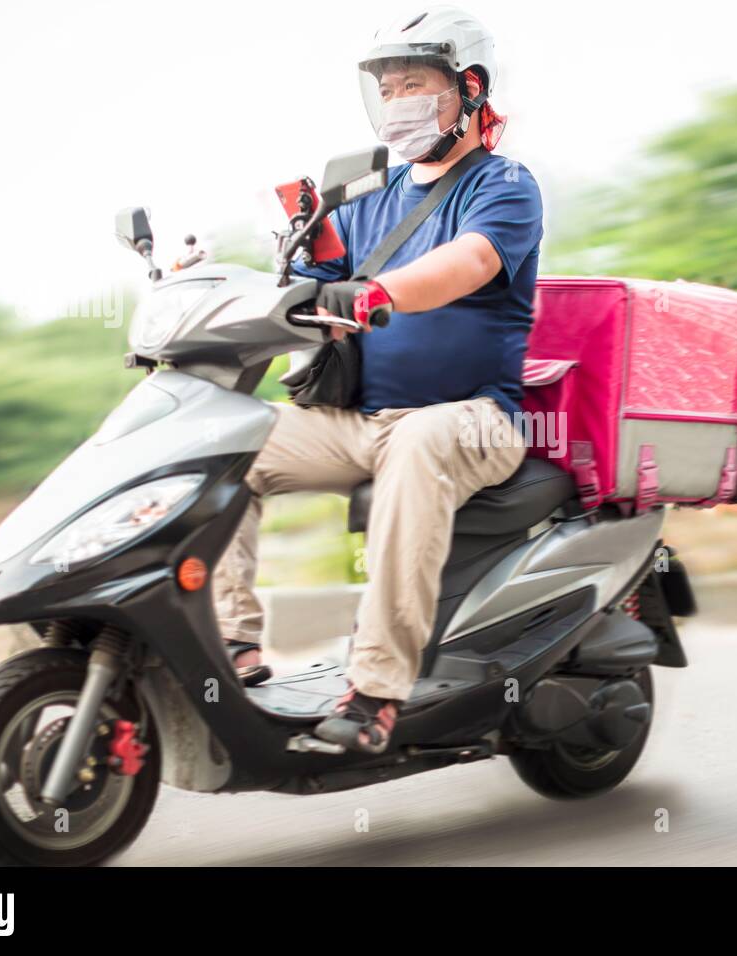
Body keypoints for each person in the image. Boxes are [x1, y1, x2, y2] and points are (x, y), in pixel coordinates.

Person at [211, 5, 543, 754]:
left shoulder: (504, 184)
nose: (398, 103)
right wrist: (257, 270)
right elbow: (307, 287)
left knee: (419, 440)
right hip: (357, 420)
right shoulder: (364, 198)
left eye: (415, 84)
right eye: (387, 89)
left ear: (469, 88)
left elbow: (471, 263)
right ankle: (230, 645)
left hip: (469, 419)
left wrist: (380, 292)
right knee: (225, 440)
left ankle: (376, 693)